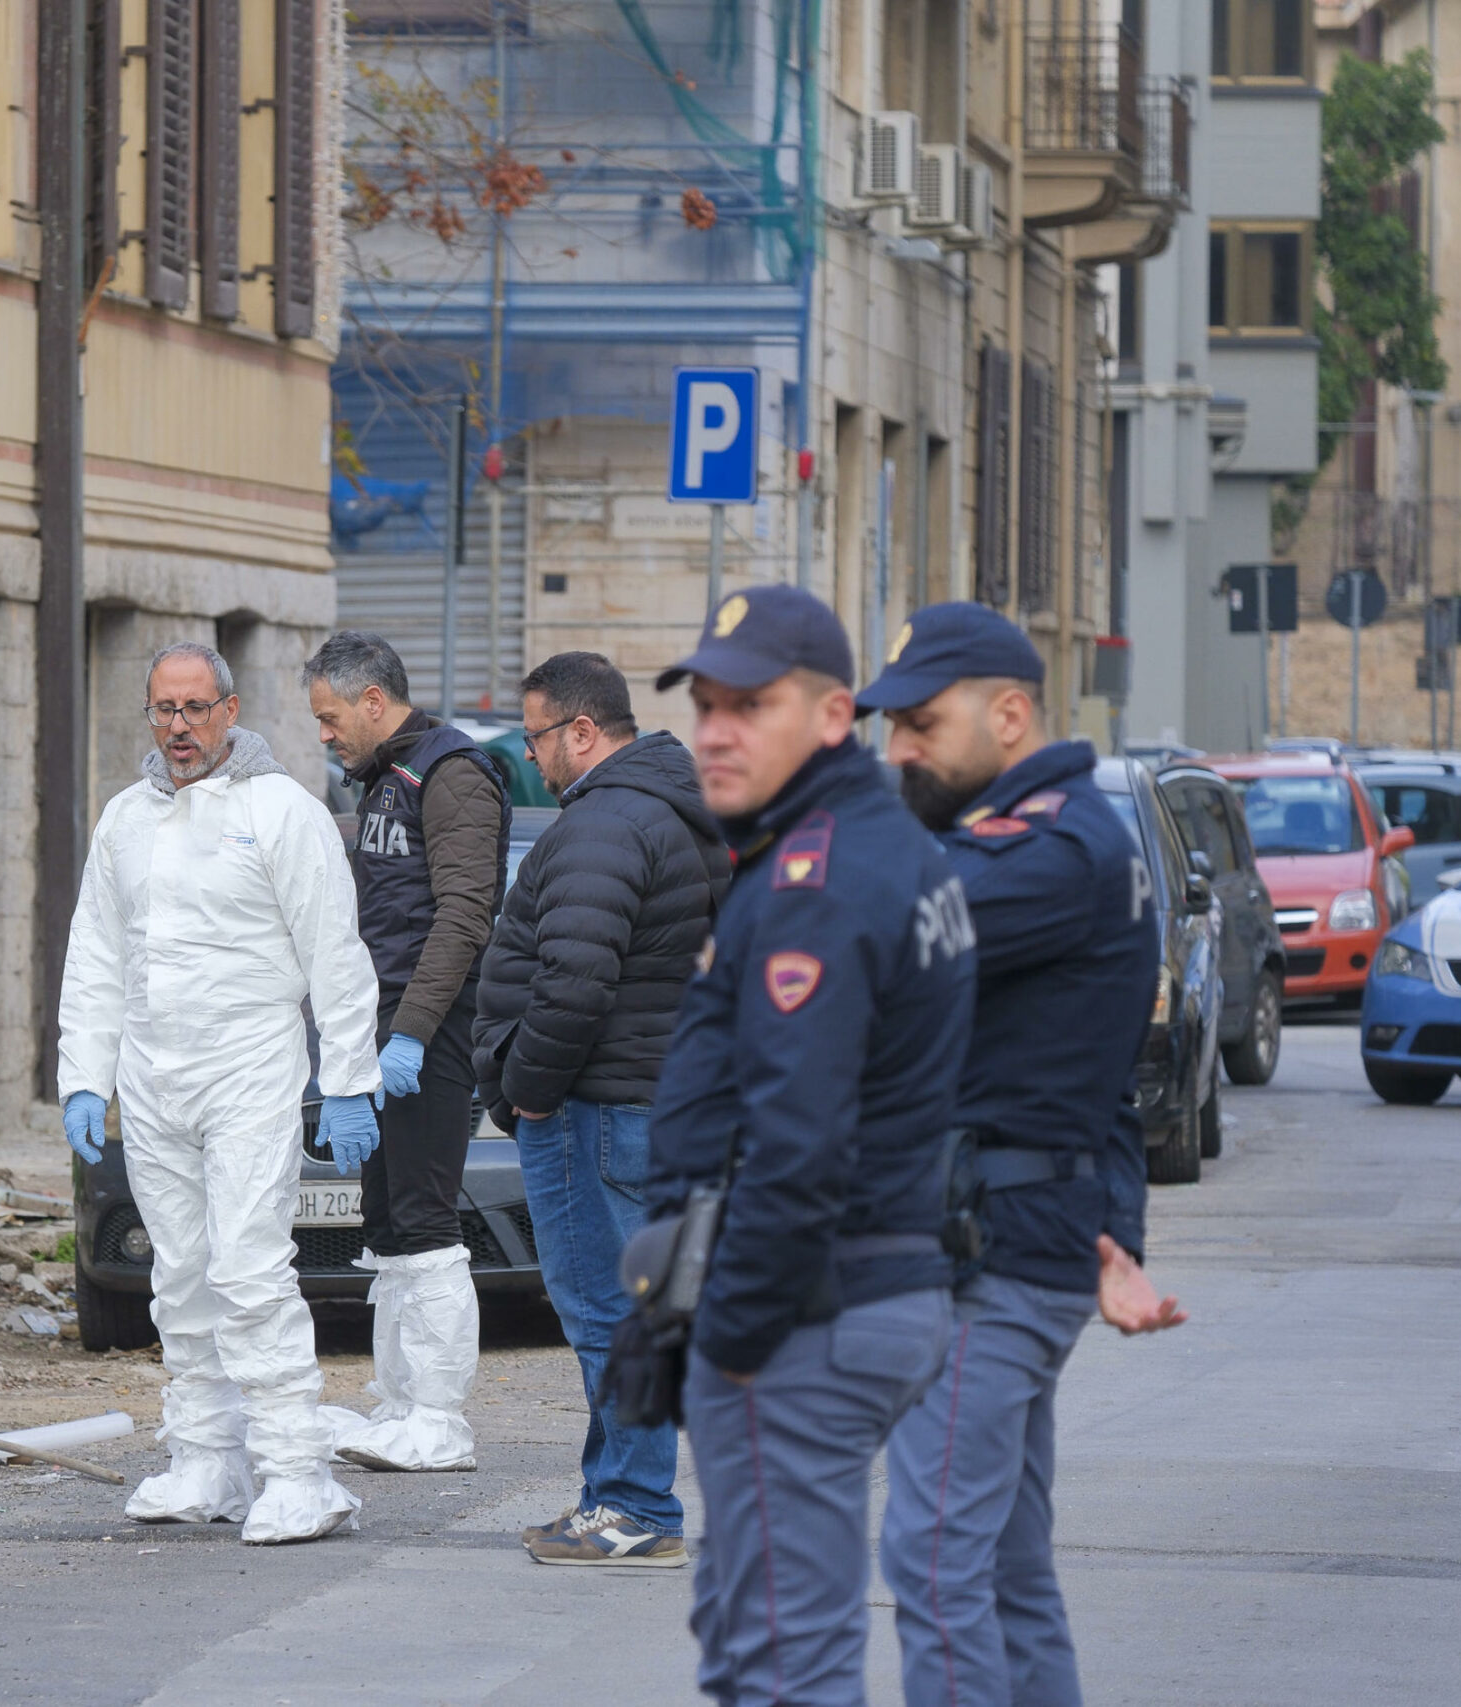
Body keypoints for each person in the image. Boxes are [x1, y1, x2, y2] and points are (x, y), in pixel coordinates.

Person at [646, 586, 975, 1704]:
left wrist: (729, 1332)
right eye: (706, 704)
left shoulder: (817, 878)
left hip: (805, 1314)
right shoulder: (864, 843)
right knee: (761, 1634)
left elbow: (797, 1140)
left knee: (782, 1662)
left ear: (834, 715)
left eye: (752, 704)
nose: (717, 731)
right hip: (860, 1292)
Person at [857, 603, 1187, 1707]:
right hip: (1008, 1243)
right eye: (889, 727)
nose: (898, 748)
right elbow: (1095, 1079)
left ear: (1008, 714)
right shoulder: (1051, 833)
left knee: (934, 1560)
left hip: (987, 1262)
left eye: (919, 724)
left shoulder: (1045, 850)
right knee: (998, 1565)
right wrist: (1111, 1240)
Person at [58, 641, 379, 1544]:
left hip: (248, 1065)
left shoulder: (281, 811)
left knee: (247, 1269)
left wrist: (348, 1079)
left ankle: (297, 1470)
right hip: (154, 1075)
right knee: (182, 1272)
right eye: (165, 709)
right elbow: (97, 956)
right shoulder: (124, 820)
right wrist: (85, 1074)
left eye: (197, 709)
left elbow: (335, 956)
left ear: (231, 712)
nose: (180, 727)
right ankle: (205, 1458)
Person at [472, 650, 729, 1566]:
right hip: (648, 1098)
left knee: (605, 1314)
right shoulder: (667, 806)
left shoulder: (604, 825)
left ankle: (633, 1506)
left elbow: (575, 982)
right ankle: (613, 1495)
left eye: (538, 735)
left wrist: (524, 1093)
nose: (532, 757)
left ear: (584, 730)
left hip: (592, 1106)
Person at [300, 632, 507, 1474]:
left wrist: (414, 1034)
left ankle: (439, 1417)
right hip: (379, 1032)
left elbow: (464, 917)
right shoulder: (386, 780)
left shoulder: (451, 774)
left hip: (428, 1032)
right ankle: (398, 1403)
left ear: (375, 701)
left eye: (331, 716)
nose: (323, 733)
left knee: (425, 1224)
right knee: (385, 1223)